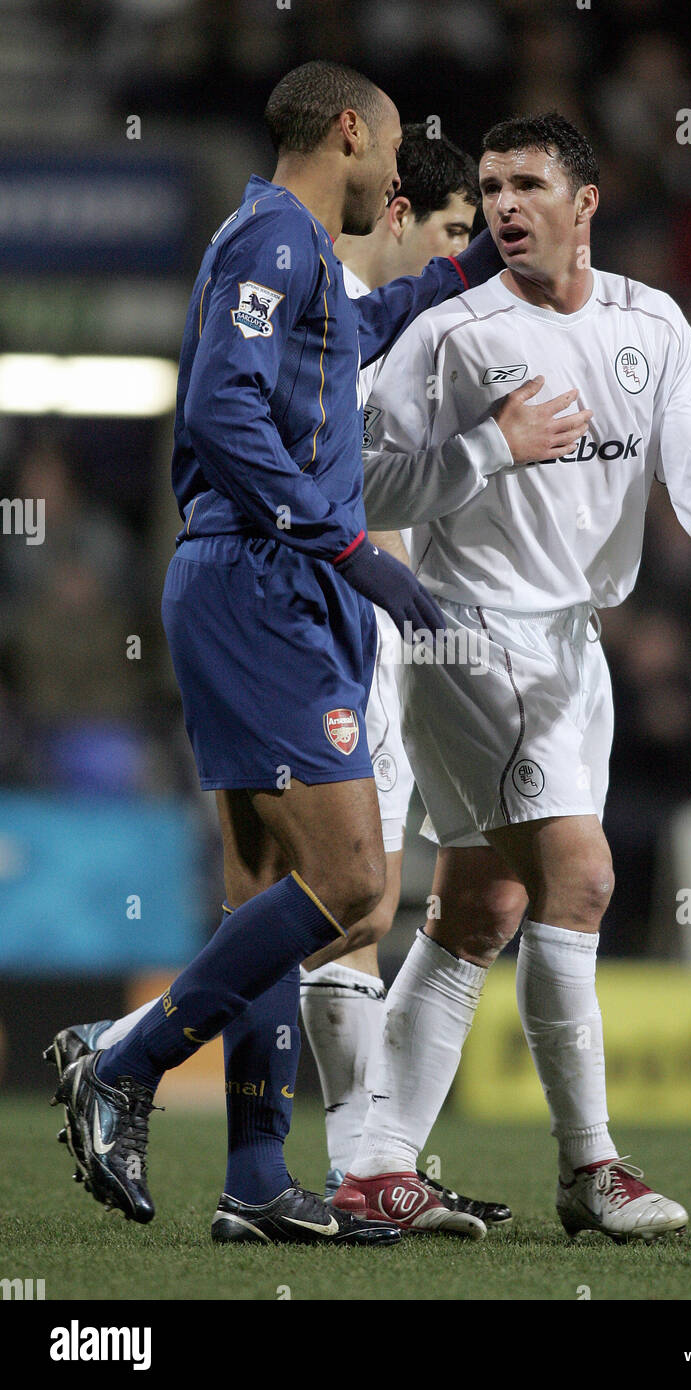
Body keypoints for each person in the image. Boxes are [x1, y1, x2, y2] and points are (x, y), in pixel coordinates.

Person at [330, 112, 691, 1241]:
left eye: (527, 185)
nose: (504, 205)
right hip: (470, 635)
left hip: (569, 644)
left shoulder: (648, 322)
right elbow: (357, 489)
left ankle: (373, 1164)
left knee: (479, 906)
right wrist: (489, 445)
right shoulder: (452, 334)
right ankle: (591, 1167)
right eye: (492, 187)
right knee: (581, 879)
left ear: (584, 200)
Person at [48, 60, 516, 1248]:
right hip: (266, 583)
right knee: (356, 886)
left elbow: (351, 331)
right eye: (393, 151)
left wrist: (467, 265)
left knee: (268, 890)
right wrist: (352, 548)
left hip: (249, 581)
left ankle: (256, 1176)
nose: (399, 177)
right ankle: (126, 1061)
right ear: (347, 132)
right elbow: (219, 409)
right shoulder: (270, 237)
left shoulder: (292, 254)